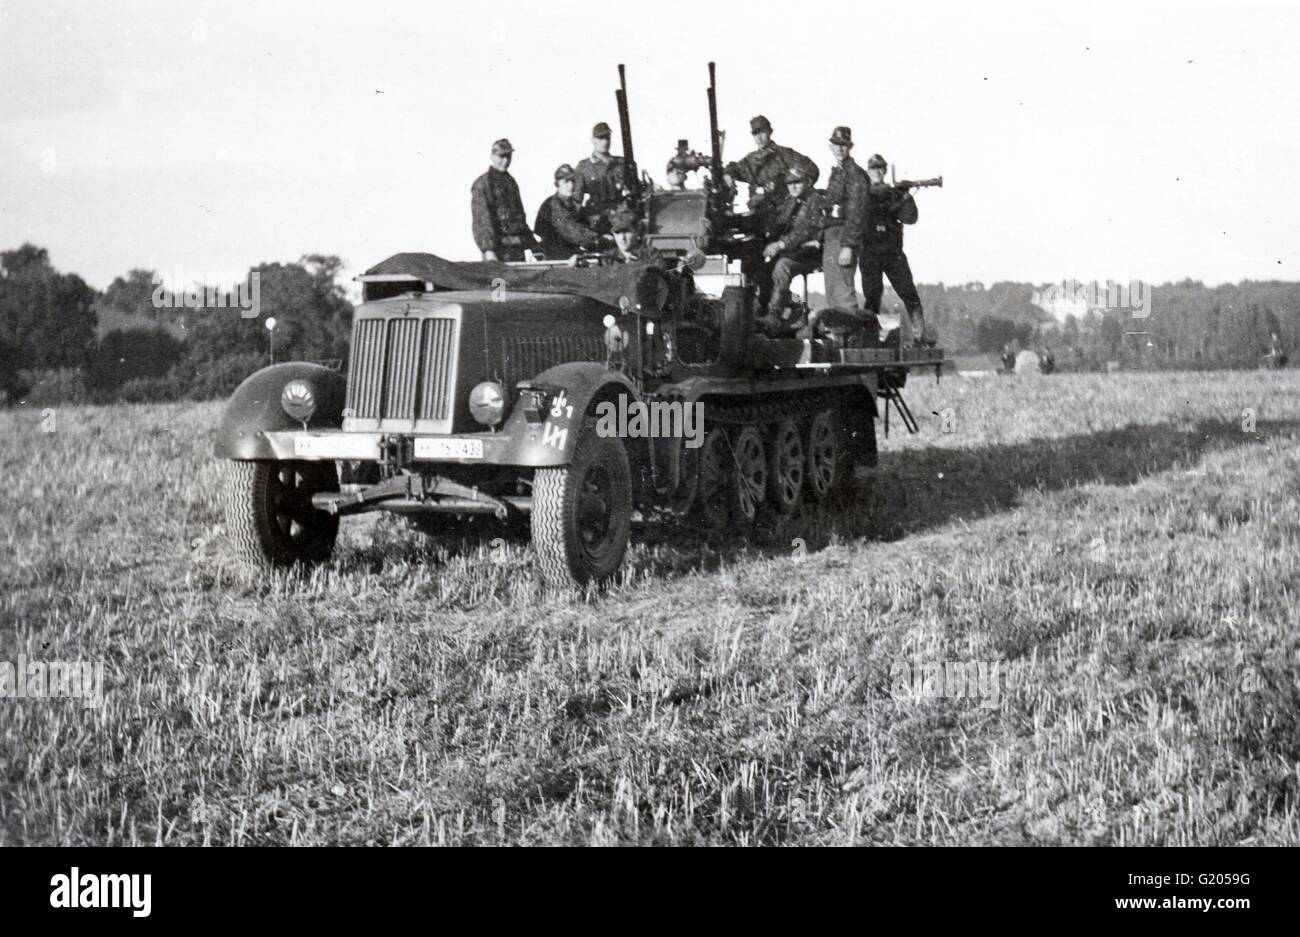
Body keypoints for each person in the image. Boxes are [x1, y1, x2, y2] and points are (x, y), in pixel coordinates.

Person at [860, 153, 931, 345]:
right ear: (868, 171)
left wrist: (906, 196)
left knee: (909, 294)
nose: (878, 172)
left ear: (885, 170)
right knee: (872, 298)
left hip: (892, 253)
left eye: (881, 168)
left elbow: (910, 218)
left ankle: (920, 336)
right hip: (870, 252)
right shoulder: (862, 194)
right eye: (874, 168)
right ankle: (870, 338)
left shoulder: (894, 194)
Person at [755, 165, 825, 334]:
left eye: (797, 182)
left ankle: (775, 315)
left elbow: (808, 229)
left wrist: (780, 245)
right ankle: (796, 304)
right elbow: (779, 223)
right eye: (789, 183)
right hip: (794, 251)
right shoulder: (791, 202)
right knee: (761, 270)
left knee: (782, 267)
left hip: (812, 252)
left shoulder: (815, 200)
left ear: (807, 182)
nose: (793, 186)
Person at [723, 115, 819, 231]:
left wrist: (791, 188)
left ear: (770, 132)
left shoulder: (785, 155)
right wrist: (728, 174)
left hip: (783, 212)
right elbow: (734, 169)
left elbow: (812, 170)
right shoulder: (751, 160)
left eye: (762, 132)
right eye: (755, 134)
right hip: (758, 212)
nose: (759, 138)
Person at [821, 126, 869, 310]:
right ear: (831, 147)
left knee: (844, 296)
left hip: (843, 238)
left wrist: (849, 246)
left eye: (844, 145)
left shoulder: (855, 174)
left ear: (850, 147)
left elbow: (858, 212)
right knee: (834, 296)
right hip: (832, 237)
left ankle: (853, 338)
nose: (840, 149)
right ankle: (840, 338)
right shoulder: (838, 172)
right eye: (836, 144)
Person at [470, 138, 536, 261]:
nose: (505, 161)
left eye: (508, 156)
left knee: (519, 281)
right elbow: (482, 221)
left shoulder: (511, 183)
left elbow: (520, 218)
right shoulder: (483, 184)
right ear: (492, 157)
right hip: (497, 252)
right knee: (498, 281)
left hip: (517, 251)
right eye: (501, 156)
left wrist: (534, 246)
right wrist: (489, 250)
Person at [534, 163, 605, 259]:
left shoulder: (573, 205)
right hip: (553, 253)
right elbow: (569, 230)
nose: (571, 185)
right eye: (566, 181)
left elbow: (587, 224)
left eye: (573, 181)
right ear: (558, 183)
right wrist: (598, 239)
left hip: (569, 251)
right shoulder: (553, 204)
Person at [574, 122, 627, 230]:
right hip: (596, 219)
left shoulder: (620, 163)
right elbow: (576, 200)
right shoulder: (584, 166)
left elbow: (636, 189)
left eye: (607, 138)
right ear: (593, 140)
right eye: (600, 138)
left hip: (622, 216)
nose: (605, 142)